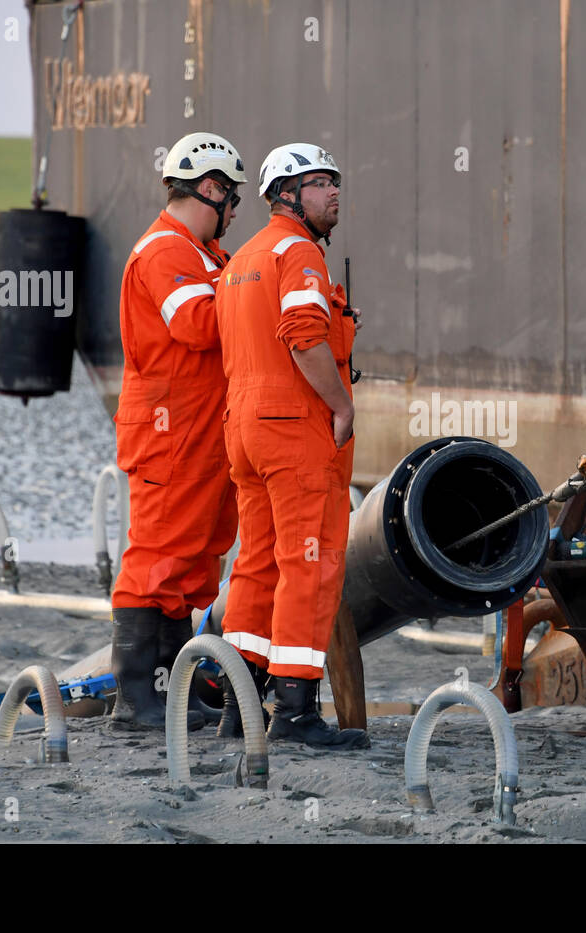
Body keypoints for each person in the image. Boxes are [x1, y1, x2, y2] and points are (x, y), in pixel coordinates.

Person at [215, 143, 368, 750]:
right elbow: (304, 336)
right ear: (287, 193)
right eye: (320, 182)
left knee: (255, 563)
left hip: (244, 430)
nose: (334, 191)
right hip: (292, 430)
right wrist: (341, 404)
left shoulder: (241, 258)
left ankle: (240, 706)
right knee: (311, 561)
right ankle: (297, 712)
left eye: (335, 180)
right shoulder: (298, 252)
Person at [109, 132, 246, 730]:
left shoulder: (202, 254)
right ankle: (137, 700)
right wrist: (252, 287)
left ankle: (171, 691)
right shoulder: (167, 252)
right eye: (233, 199)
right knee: (157, 559)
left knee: (191, 564)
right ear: (210, 189)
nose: (236, 213)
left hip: (199, 430)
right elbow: (195, 322)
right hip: (170, 432)